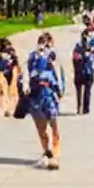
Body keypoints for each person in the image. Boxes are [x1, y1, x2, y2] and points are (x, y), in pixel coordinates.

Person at [27, 35, 63, 170]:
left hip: (50, 95)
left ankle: (55, 155)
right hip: (36, 96)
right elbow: (28, 73)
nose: (44, 46)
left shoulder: (53, 56)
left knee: (54, 126)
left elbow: (59, 74)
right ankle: (46, 151)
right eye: (42, 43)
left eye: (48, 43)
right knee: (41, 128)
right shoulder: (32, 57)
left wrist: (59, 91)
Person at [72, 34, 94, 115]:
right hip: (87, 73)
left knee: (80, 91)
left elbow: (75, 60)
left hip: (80, 73)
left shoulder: (77, 49)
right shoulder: (91, 49)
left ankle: (80, 107)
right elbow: (93, 61)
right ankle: (85, 109)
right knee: (87, 91)